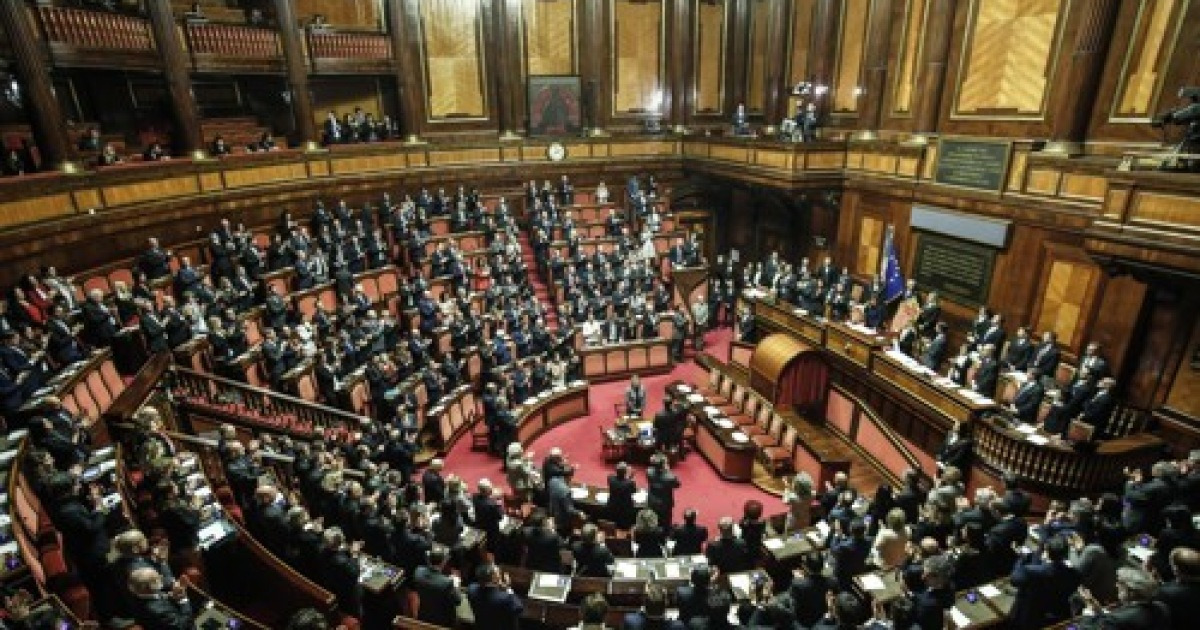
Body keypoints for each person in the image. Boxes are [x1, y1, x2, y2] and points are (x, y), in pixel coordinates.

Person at [1010, 535, 1081, 628]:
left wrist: (1021, 558)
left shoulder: (1031, 571)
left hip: (1031, 618)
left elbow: (1014, 580)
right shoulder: (1074, 574)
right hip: (1057, 617)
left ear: (1046, 552)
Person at [412, 544, 461, 627]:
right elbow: (457, 601)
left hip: (424, 614)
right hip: (443, 620)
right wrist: (456, 585)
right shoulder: (446, 583)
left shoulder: (418, 571)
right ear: (443, 562)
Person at [467, 563, 523, 630]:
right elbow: (519, 608)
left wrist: (497, 584)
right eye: (498, 573)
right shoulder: (506, 598)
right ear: (494, 578)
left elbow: (479, 585)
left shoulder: (471, 589)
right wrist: (508, 588)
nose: (500, 575)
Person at [646, 453, 680, 530]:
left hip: (652, 500)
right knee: (666, 520)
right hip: (665, 503)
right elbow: (677, 485)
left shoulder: (648, 471)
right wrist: (668, 471)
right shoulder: (670, 477)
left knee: (654, 517)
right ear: (663, 465)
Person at [606, 462, 638, 530]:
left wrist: (627, 476)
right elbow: (634, 491)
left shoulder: (610, 478)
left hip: (612, 505)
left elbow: (619, 480)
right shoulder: (630, 483)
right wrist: (630, 477)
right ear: (625, 472)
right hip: (625, 508)